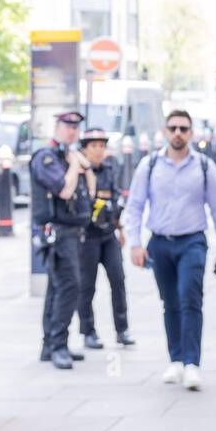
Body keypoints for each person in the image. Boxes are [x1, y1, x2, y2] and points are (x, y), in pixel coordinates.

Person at [123, 109, 216, 390]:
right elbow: (134, 206)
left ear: (191, 133)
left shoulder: (204, 167)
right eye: (173, 128)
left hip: (193, 242)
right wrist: (135, 242)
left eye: (183, 128)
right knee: (169, 303)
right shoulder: (149, 166)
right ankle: (175, 360)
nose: (178, 133)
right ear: (164, 131)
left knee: (189, 299)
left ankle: (192, 364)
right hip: (159, 243)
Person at [31, 111, 93, 370]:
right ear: (57, 127)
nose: (72, 131)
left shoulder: (67, 156)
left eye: (75, 127)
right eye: (68, 126)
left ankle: (52, 344)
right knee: (69, 286)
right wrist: (75, 165)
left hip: (72, 232)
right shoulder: (46, 157)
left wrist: (81, 164)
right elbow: (65, 189)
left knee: (58, 288)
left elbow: (89, 185)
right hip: (58, 234)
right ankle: (57, 345)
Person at [75, 127, 133, 350]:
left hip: (108, 234)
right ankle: (88, 331)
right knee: (86, 286)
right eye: (94, 146)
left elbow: (115, 195)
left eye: (102, 146)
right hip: (88, 236)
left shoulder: (109, 168)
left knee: (118, 280)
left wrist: (120, 228)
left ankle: (122, 329)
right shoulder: (80, 172)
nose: (99, 150)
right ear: (85, 149)